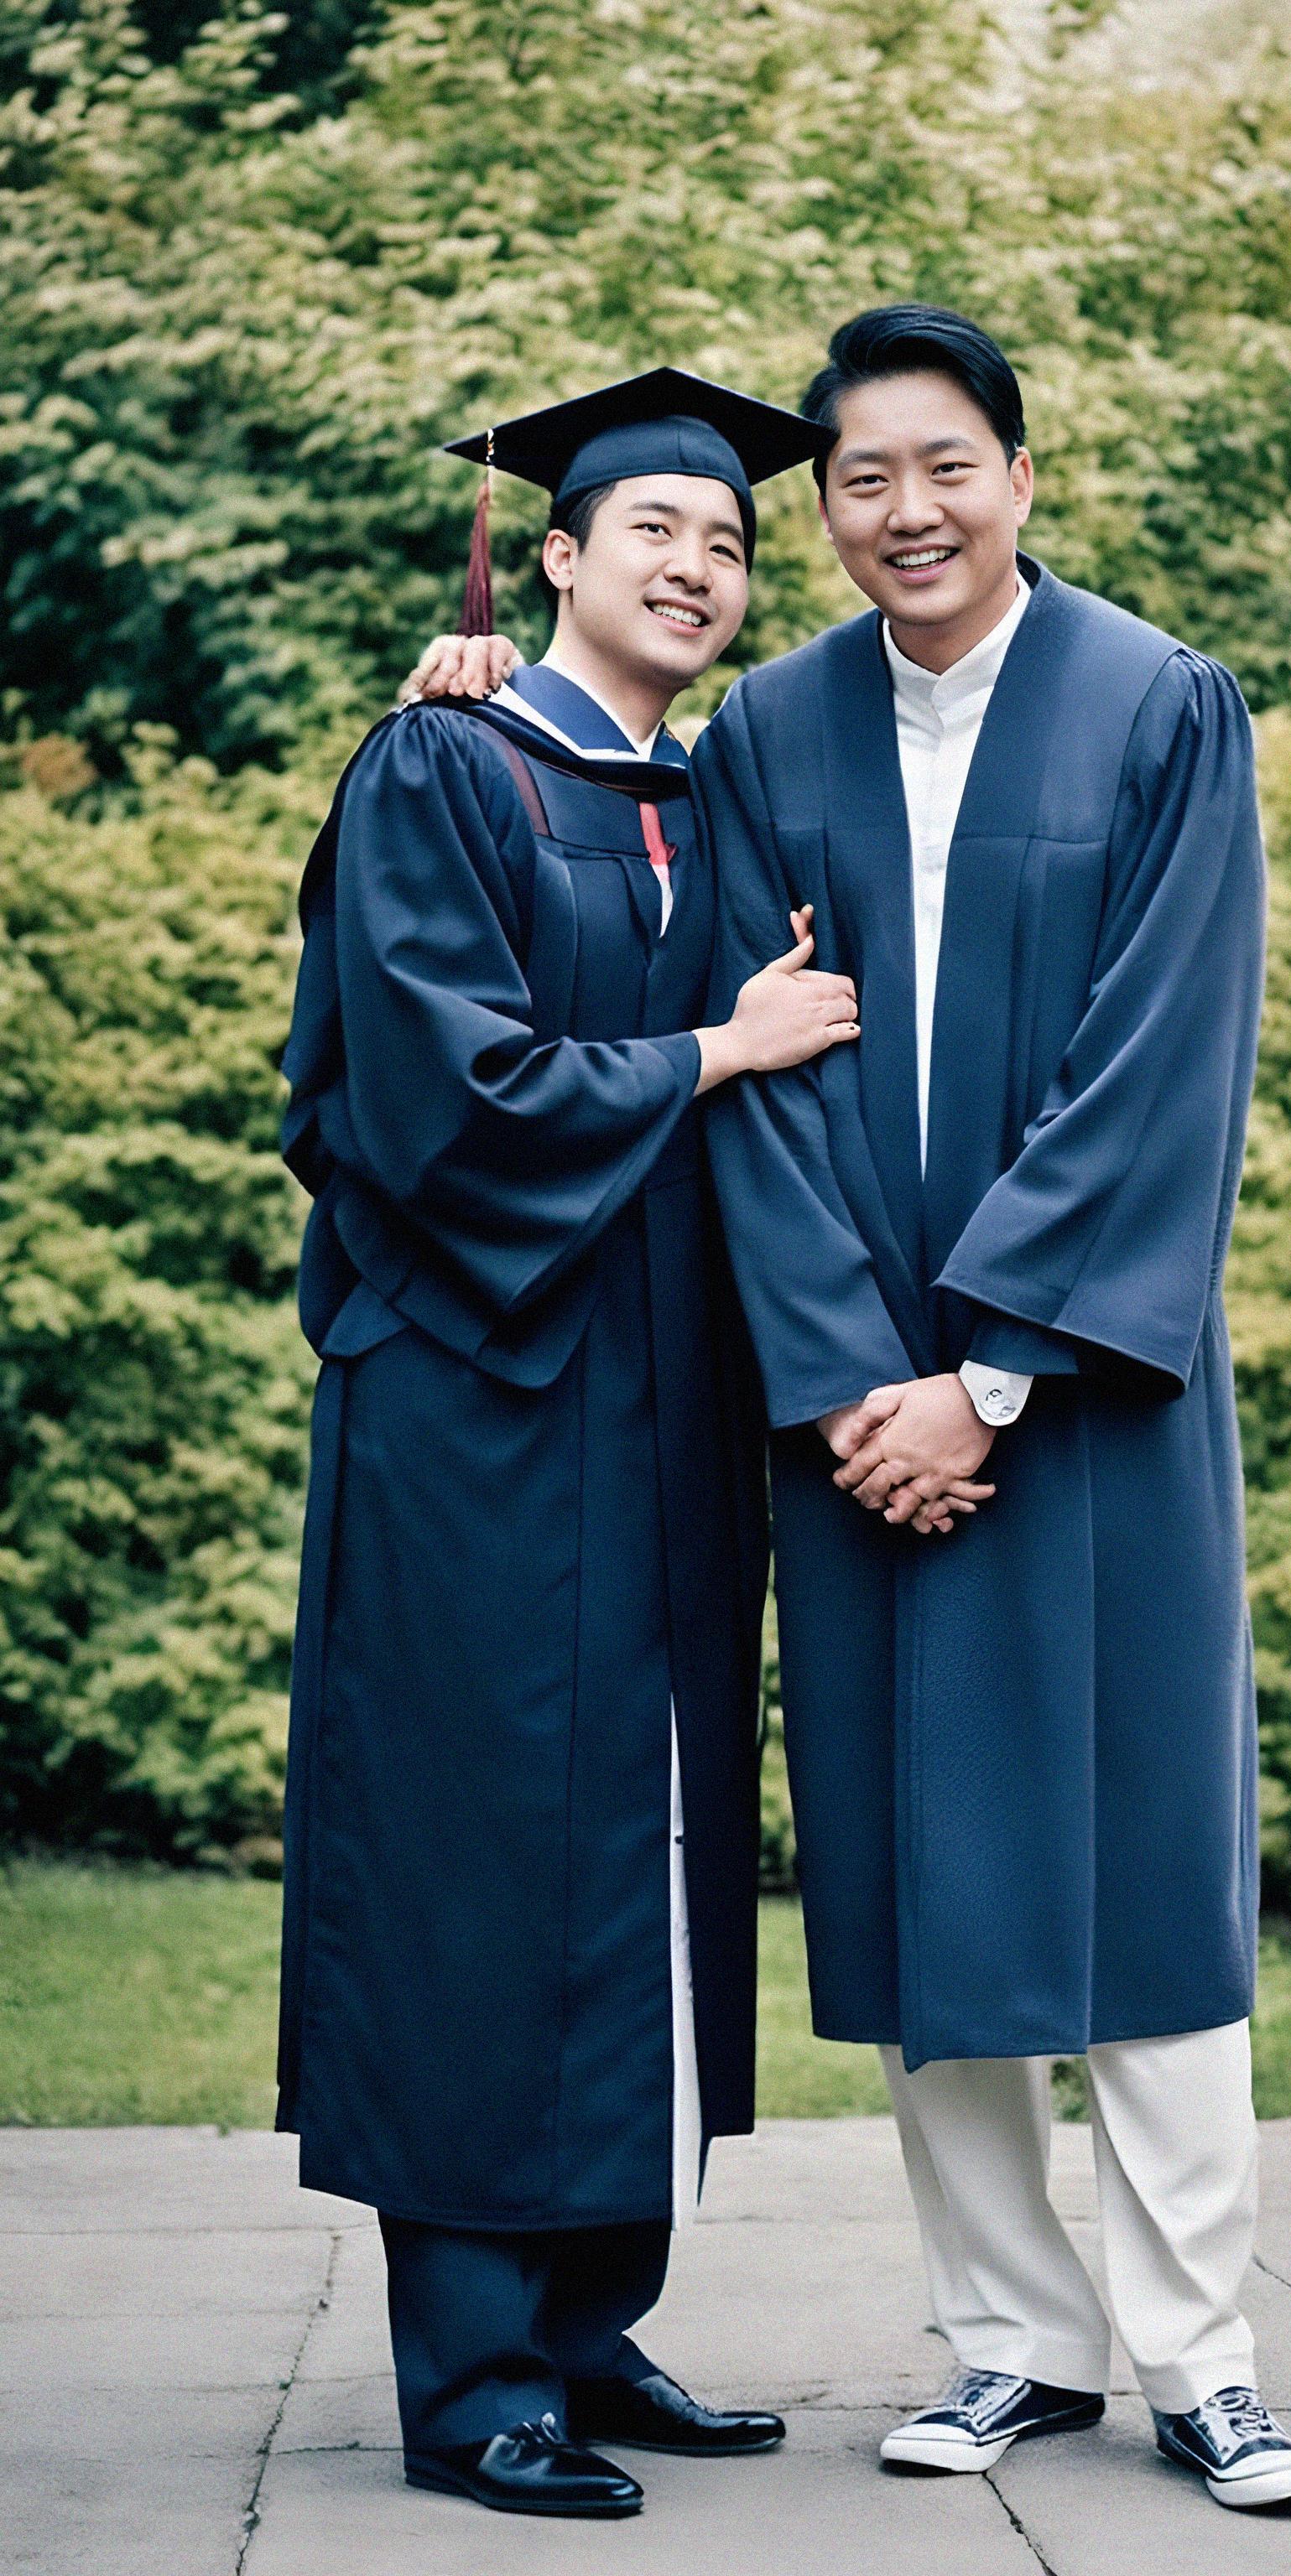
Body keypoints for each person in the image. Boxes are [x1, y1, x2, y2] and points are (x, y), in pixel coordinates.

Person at [417, 309, 1291, 2517]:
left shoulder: (1159, 705)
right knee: (933, 1876)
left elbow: (1163, 1065)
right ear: (823, 508)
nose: (905, 510)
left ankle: (1204, 2360)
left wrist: (989, 1375)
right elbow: (749, 1064)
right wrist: (854, 1387)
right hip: (860, 1428)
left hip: (1087, 1399)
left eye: (945, 467)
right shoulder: (771, 732)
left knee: (1143, 1872)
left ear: (1022, 476)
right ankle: (1010, 2342)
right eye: (858, 479)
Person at [278, 368, 855, 2520]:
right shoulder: (444, 765)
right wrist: (715, 1046)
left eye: (728, 542)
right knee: (479, 1861)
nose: (698, 567)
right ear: (557, 557)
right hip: (481, 1408)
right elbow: (439, 1094)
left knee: (652, 1849)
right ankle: (472, 2378)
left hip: (666, 1404)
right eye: (654, 534)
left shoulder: (709, 801)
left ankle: (591, 2327)